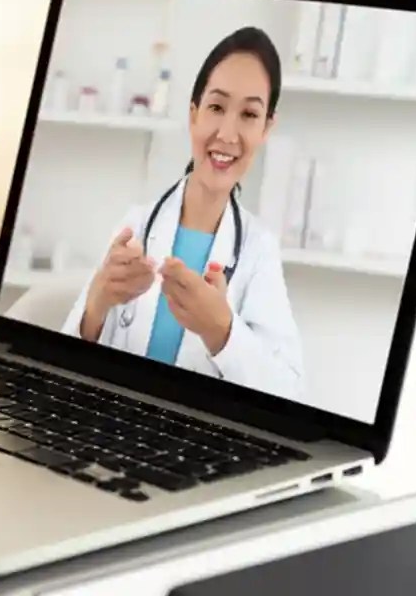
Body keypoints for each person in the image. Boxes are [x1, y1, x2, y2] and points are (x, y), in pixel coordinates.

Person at [61, 26, 303, 399]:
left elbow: (291, 395)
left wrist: (221, 330)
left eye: (249, 115)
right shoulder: (136, 225)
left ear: (267, 128)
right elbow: (60, 372)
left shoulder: (259, 251)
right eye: (217, 107)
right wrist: (97, 302)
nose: (227, 133)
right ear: (194, 115)